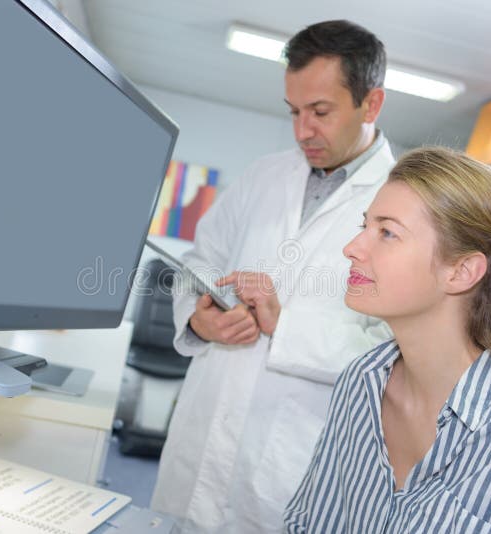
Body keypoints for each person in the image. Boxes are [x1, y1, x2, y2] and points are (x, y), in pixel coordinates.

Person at [150, 20, 395, 532]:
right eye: (295, 112)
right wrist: (200, 321)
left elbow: (394, 345)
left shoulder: (402, 204)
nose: (302, 130)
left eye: (320, 112)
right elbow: (200, 261)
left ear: (371, 105)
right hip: (201, 441)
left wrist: (285, 325)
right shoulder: (263, 175)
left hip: (290, 466)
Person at [284, 147, 491, 533]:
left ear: (462, 271)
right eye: (363, 226)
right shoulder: (361, 383)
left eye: (387, 232)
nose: (351, 248)